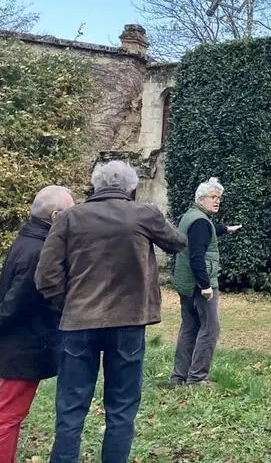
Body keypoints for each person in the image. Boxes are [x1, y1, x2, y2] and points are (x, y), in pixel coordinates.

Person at [35, 160, 187, 463]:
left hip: (78, 323)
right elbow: (178, 242)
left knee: (70, 408)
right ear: (130, 187)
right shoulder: (144, 214)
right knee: (122, 407)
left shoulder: (69, 218)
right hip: (128, 322)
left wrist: (67, 304)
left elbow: (46, 276)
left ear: (95, 185)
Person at [0, 186, 74, 463]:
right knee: (7, 417)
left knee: (8, 415)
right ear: (56, 215)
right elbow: (15, 303)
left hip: (20, 344)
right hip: (22, 346)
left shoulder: (28, 237)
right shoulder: (39, 250)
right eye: (70, 213)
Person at [170, 177, 241, 386]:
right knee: (210, 328)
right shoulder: (200, 221)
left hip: (185, 283)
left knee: (190, 326)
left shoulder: (191, 217)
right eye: (213, 197)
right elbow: (197, 257)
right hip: (199, 285)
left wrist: (225, 229)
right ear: (201, 199)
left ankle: (179, 377)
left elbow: (203, 234)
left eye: (219, 198)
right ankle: (197, 378)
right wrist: (206, 286)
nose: (217, 201)